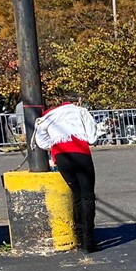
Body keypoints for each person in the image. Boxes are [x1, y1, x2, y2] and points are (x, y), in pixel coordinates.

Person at [32, 96, 99, 252]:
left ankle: (80, 238)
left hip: (61, 156)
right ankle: (89, 241)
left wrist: (55, 144)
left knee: (76, 195)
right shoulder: (81, 112)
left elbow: (41, 140)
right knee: (87, 196)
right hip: (80, 153)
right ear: (78, 101)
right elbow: (92, 137)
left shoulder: (48, 115)